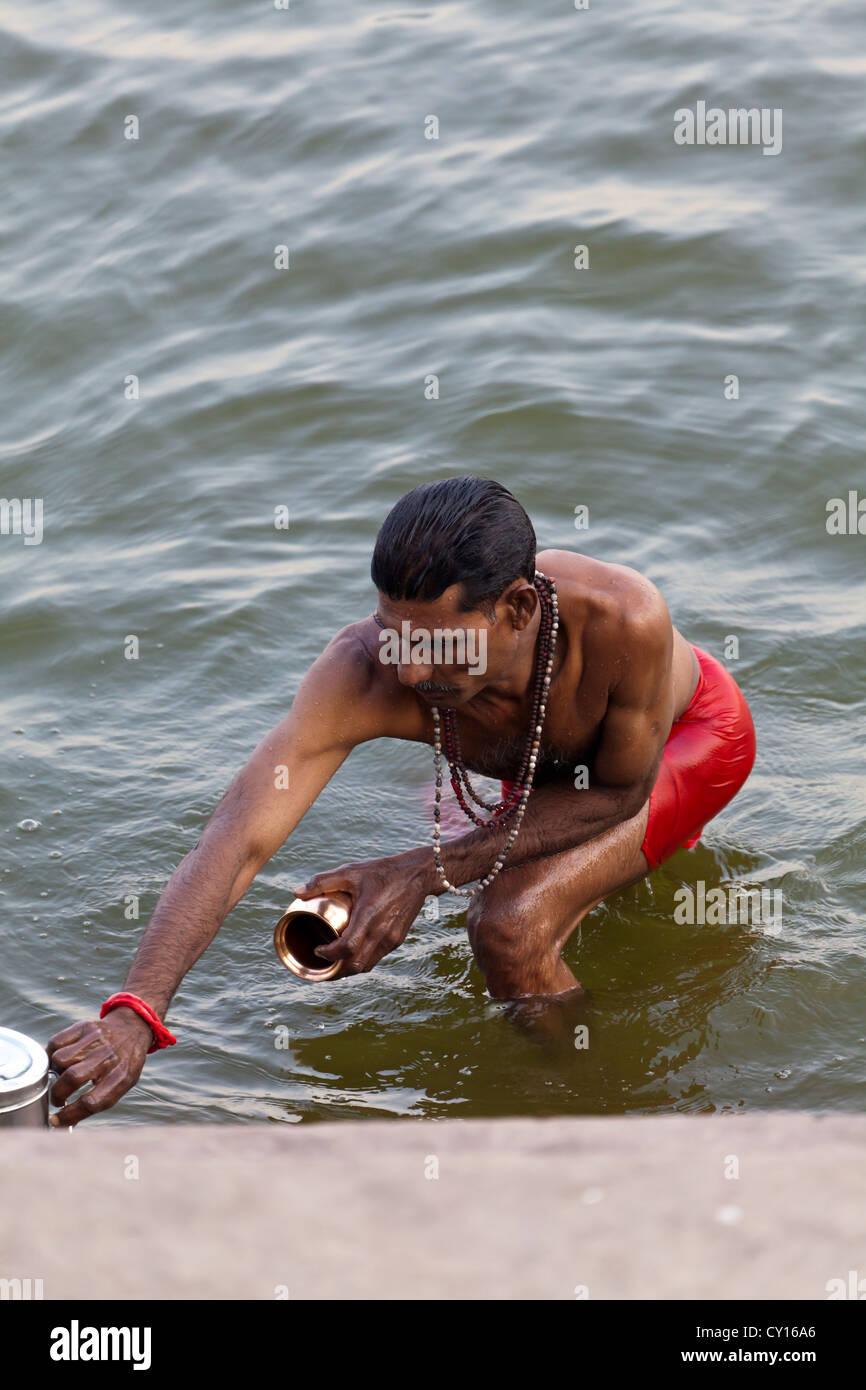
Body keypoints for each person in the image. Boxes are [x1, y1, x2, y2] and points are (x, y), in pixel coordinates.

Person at [47, 476, 756, 1124]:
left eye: (439, 646)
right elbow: (235, 841)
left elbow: (618, 792)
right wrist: (137, 1012)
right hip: (545, 763)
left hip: (686, 742)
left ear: (517, 609)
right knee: (530, 881)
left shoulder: (623, 621)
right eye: (395, 635)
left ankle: (596, 1105)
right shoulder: (366, 670)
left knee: (508, 926)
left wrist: (424, 871)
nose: (411, 671)